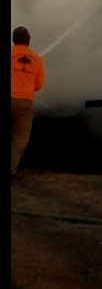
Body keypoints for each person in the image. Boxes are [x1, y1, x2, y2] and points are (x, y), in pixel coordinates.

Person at [11, 26, 45, 179]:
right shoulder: (36, 58)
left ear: (13, 39)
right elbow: (38, 85)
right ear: (28, 40)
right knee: (20, 138)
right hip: (24, 102)